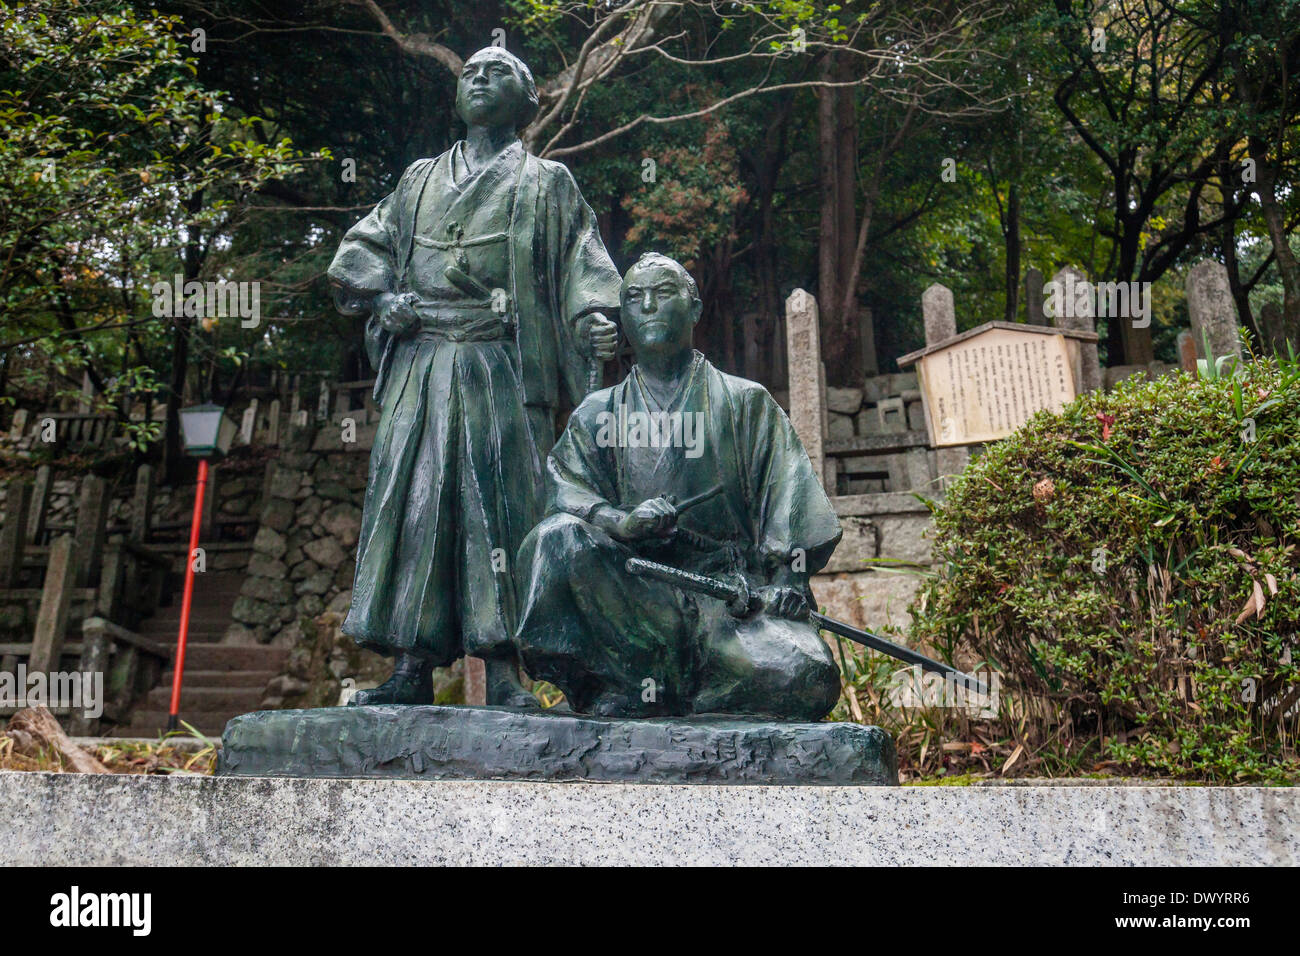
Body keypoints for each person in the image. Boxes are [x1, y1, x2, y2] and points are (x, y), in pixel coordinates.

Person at [327, 47, 621, 706]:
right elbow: (358, 252)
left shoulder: (547, 183)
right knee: (416, 504)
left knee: (507, 512)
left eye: (499, 72)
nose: (480, 79)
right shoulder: (418, 181)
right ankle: (409, 667)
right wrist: (384, 297)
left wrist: (595, 319)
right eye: (470, 73)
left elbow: (585, 264)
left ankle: (507, 669)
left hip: (502, 366)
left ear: (529, 100)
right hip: (422, 363)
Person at [514, 253, 844, 720]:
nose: (647, 305)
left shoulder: (745, 402)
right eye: (633, 297)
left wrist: (787, 579)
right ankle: (635, 677)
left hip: (727, 597)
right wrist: (621, 523)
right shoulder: (597, 412)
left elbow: (790, 496)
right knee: (554, 538)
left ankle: (673, 688)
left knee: (807, 677)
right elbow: (567, 494)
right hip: (630, 594)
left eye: (663, 293)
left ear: (694, 309)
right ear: (623, 316)